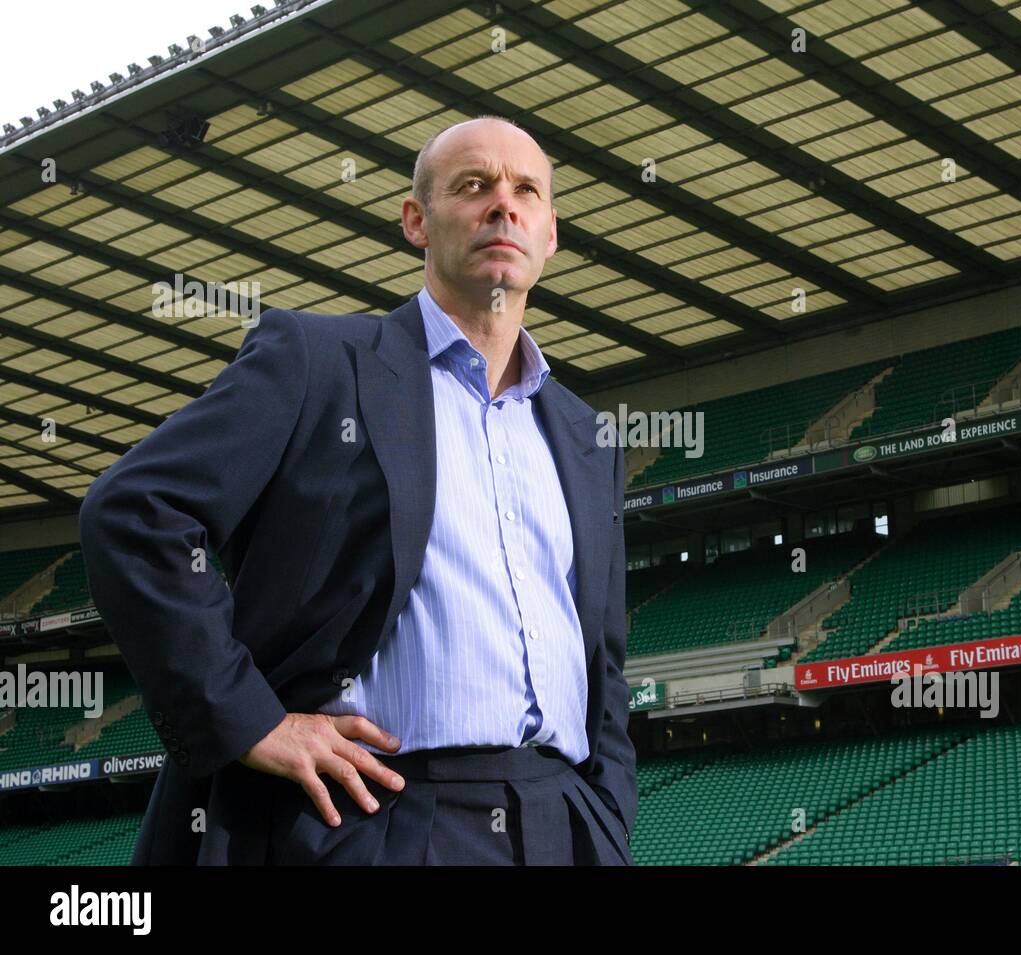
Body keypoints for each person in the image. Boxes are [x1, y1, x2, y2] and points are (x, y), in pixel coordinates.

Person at [78, 115, 636, 865]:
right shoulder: (316, 362)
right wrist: (251, 720)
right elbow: (134, 510)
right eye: (474, 186)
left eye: (526, 191)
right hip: (387, 815)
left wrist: (604, 815)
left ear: (550, 234)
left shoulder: (583, 434)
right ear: (417, 221)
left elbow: (604, 661)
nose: (503, 205)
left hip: (565, 822)